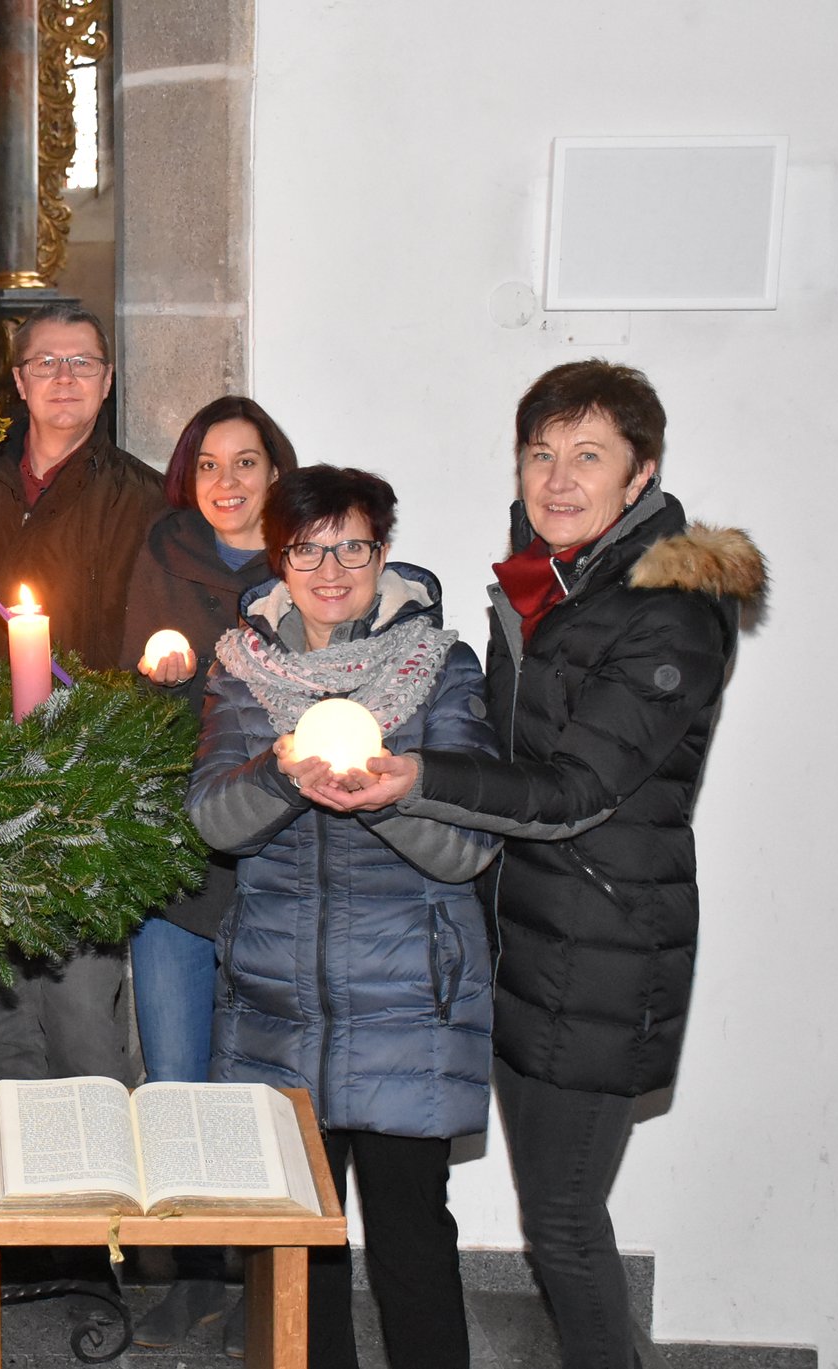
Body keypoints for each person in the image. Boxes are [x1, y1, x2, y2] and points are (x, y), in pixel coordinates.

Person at [319, 362, 765, 1369]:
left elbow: (570, 792)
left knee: (560, 1222)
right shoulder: (550, 584)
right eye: (539, 453)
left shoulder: (665, 610)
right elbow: (505, 754)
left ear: (639, 472)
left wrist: (411, 775)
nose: (557, 479)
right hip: (523, 934)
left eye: (588, 456)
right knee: (551, 1215)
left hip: (601, 949)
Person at [189, 466, 499, 1369]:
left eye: (352, 546)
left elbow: (470, 847)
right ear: (278, 558)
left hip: (412, 1000)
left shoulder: (440, 665)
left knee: (411, 1239)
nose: (331, 570)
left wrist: (385, 796)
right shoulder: (243, 671)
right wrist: (284, 778)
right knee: (300, 1251)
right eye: (307, 549)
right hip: (278, 1004)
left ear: (382, 552)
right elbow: (213, 819)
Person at [0, 303, 165, 1087]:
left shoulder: (146, 498)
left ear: (108, 382)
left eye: (83, 363)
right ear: (20, 382)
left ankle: (103, 1197)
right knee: (0, 1014)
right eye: (47, 363)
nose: (65, 378)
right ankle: (20, 1198)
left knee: (82, 1016)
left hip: (84, 781)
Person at [117, 395, 298, 1348]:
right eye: (210, 466)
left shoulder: (307, 562)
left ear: (278, 474)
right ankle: (190, 1276)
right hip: (177, 858)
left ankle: (257, 1279)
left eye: (248, 463)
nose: (228, 484)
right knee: (177, 1075)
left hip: (273, 853)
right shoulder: (161, 553)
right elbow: (126, 676)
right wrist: (158, 680)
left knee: (259, 1079)